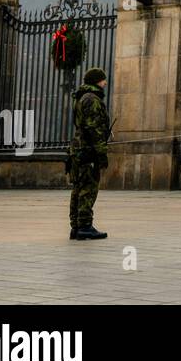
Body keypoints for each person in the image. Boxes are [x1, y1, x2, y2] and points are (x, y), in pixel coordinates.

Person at [67, 67, 111, 240]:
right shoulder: (92, 99)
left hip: (78, 148)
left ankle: (76, 226)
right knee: (88, 188)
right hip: (88, 150)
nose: (105, 82)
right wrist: (102, 154)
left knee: (78, 188)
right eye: (103, 80)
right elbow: (94, 129)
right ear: (96, 81)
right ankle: (85, 226)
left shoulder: (80, 98)